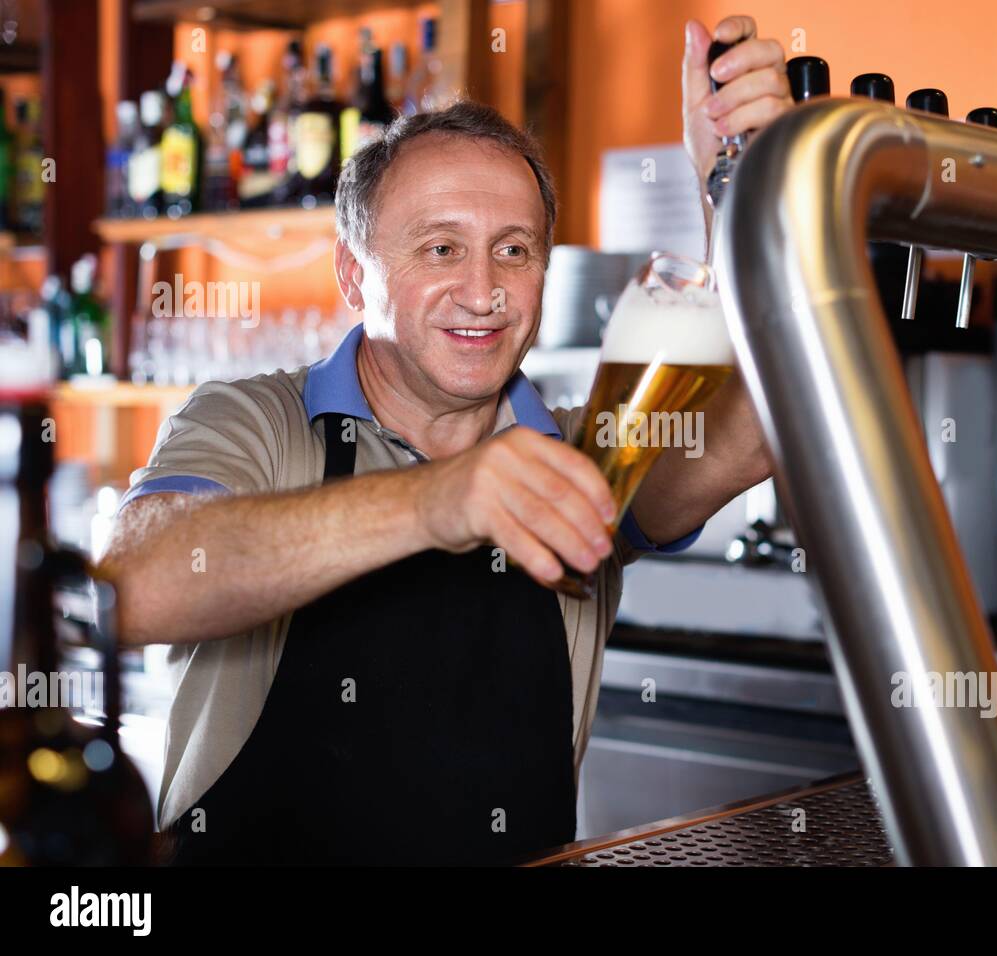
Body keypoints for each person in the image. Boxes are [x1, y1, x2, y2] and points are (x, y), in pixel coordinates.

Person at [101, 15, 791, 865]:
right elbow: (133, 586)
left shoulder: (589, 458)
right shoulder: (256, 422)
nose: (484, 291)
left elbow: (760, 424)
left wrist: (738, 185)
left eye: (515, 250)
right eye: (440, 248)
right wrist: (441, 499)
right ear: (355, 275)